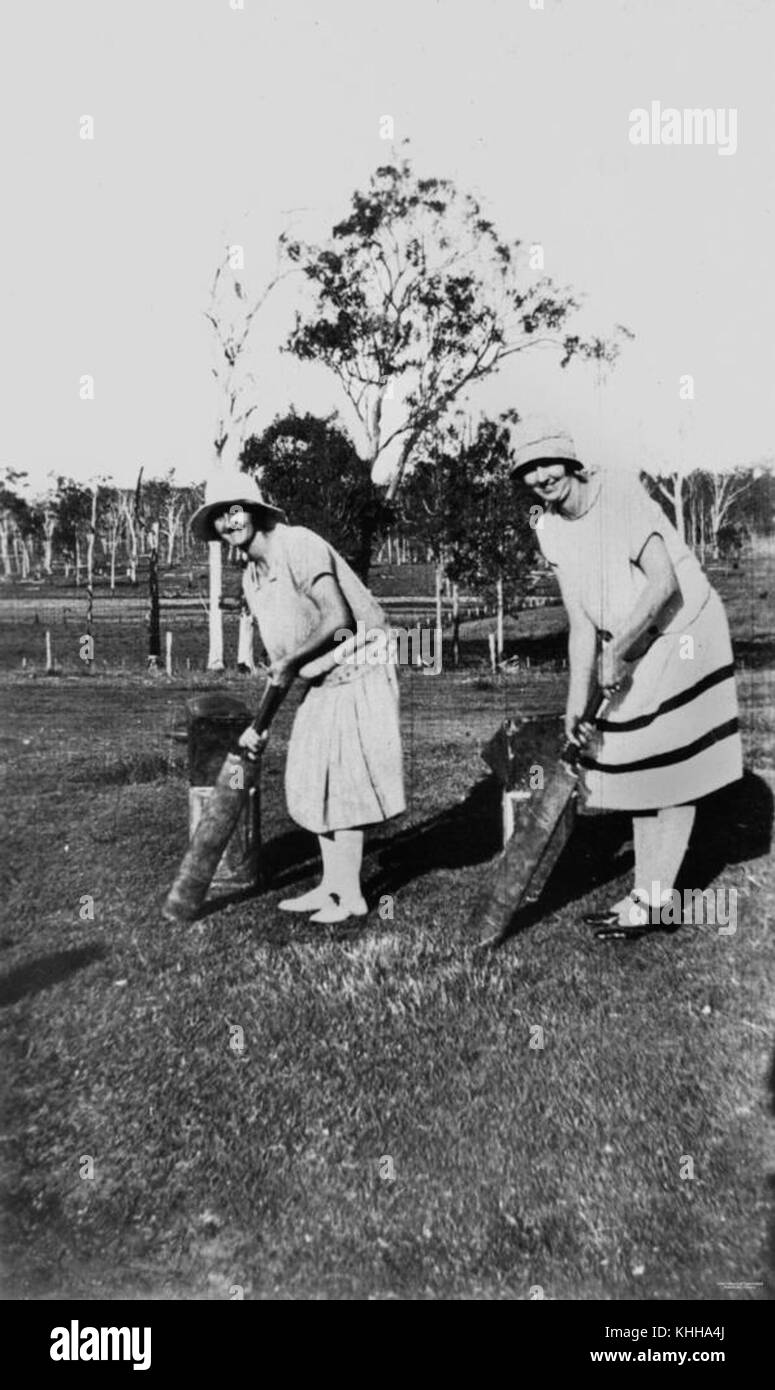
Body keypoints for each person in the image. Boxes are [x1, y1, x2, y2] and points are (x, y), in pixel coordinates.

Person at [511, 422, 743, 939]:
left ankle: (657, 899)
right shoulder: (549, 528)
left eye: (549, 463)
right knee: (638, 763)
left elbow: (663, 584)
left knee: (673, 765)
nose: (542, 476)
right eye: (529, 469)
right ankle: (647, 894)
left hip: (686, 629)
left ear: (570, 463)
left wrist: (619, 650)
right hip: (635, 641)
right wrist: (576, 700)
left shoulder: (616, 493)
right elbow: (581, 623)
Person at [190, 468, 405, 924]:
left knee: (343, 777)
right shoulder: (251, 578)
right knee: (311, 775)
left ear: (252, 511)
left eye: (235, 511)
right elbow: (282, 665)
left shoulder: (298, 543)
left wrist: (291, 664)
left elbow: (339, 619)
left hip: (362, 661)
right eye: (220, 519)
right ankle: (330, 887)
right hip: (322, 676)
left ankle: (351, 898)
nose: (230, 523)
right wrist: (259, 726)